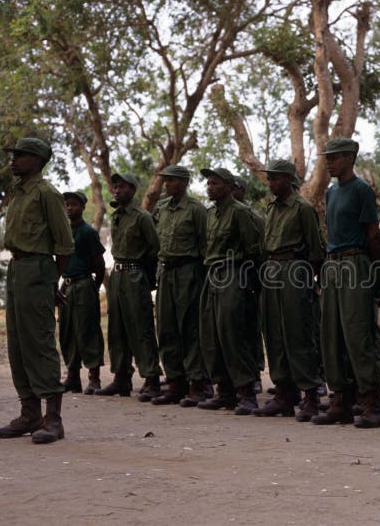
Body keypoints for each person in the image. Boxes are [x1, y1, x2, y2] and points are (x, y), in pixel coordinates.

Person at [0, 137, 74, 444]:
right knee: (17, 342)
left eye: (21, 155)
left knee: (39, 341)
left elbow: (64, 244)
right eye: (13, 155)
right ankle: (30, 414)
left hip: (38, 267)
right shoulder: (18, 192)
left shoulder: (47, 193)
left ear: (38, 160)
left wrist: (50, 281)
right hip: (16, 269)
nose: (13, 160)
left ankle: (53, 419)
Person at [312, 138, 380, 428]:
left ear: (350, 158)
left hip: (355, 263)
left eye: (335, 157)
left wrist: (375, 279)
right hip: (332, 265)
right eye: (327, 157)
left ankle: (371, 402)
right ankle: (340, 399)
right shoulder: (331, 193)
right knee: (330, 335)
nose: (329, 161)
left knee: (358, 335)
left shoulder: (361, 190)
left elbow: (374, 238)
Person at [253, 159, 325, 421]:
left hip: (294, 270)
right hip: (271, 271)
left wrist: (307, 279)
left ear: (287, 179)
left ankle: (310, 394)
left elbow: (316, 249)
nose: (270, 183)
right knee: (273, 332)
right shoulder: (271, 207)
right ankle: (284, 393)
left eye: (274, 178)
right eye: (269, 178)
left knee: (298, 333)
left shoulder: (302, 208)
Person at [196, 167, 264, 414]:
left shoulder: (240, 212)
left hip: (234, 274)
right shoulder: (211, 213)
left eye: (214, 183)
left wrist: (247, 282)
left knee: (233, 333)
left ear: (227, 185)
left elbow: (253, 249)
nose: (209, 187)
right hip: (212, 274)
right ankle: (224, 391)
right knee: (211, 333)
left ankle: (246, 392)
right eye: (208, 183)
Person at [95, 173, 163, 401]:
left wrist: (146, 278)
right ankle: (121, 377)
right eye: (115, 187)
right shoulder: (116, 217)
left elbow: (155, 249)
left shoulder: (143, 217)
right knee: (117, 328)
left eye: (122, 187)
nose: (116, 190)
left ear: (133, 190)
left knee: (141, 327)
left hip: (135, 274)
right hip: (117, 275)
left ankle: (151, 378)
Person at [150, 165, 208, 406]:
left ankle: (197, 384)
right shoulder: (161, 208)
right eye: (165, 180)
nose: (167, 184)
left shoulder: (196, 209)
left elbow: (205, 244)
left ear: (185, 182)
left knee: (190, 328)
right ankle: (175, 382)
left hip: (189, 271)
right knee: (166, 327)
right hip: (166, 270)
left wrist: (203, 279)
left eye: (172, 180)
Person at [58, 191, 106, 395]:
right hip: (66, 285)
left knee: (88, 330)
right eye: (66, 205)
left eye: (74, 205)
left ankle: (94, 379)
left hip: (84, 284)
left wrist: (93, 286)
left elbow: (100, 263)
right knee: (67, 331)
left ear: (83, 207)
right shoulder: (63, 231)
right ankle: (72, 377)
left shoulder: (88, 232)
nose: (69, 208)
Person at [232, 176, 266, 393]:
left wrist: (256, 280)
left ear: (242, 191)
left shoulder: (252, 216)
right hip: (228, 277)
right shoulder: (218, 214)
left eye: (235, 188)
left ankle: (254, 374)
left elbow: (258, 249)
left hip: (247, 277)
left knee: (249, 328)